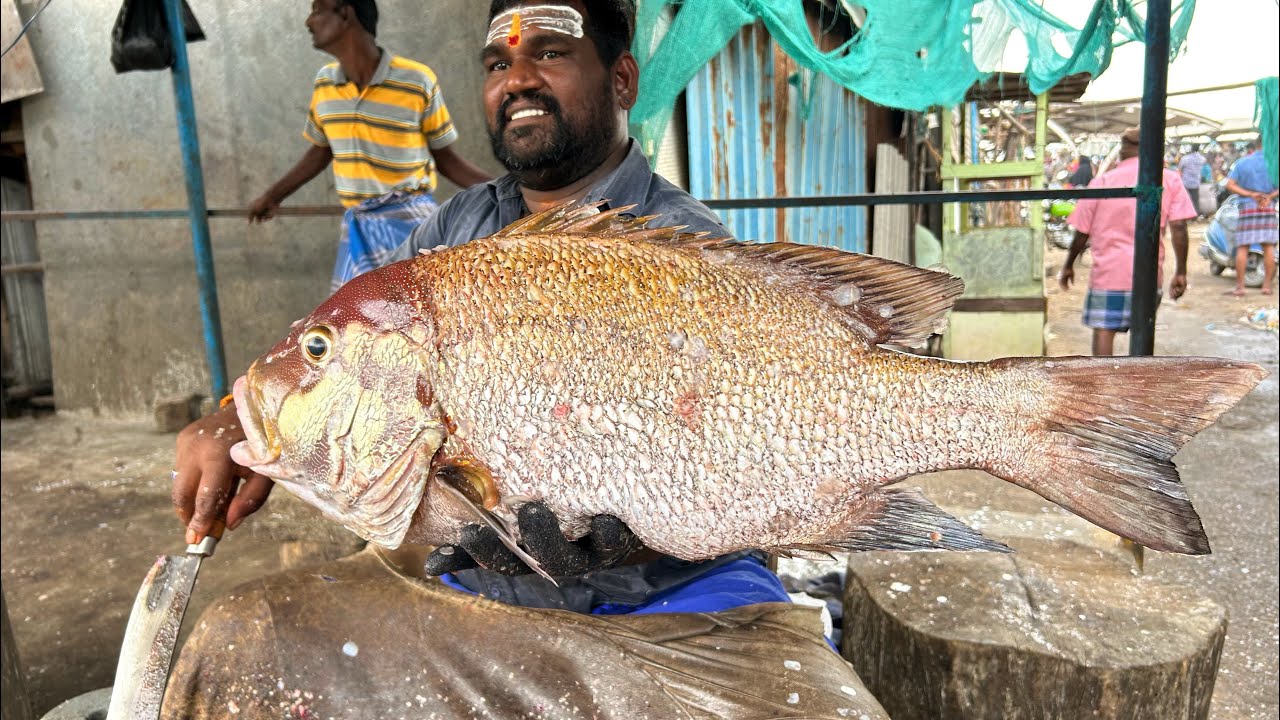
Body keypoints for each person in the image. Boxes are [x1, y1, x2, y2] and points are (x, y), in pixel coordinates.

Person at [165, 2, 888, 717]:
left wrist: (644, 536)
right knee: (241, 646)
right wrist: (238, 419)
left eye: (549, 52)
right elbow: (365, 371)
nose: (517, 79)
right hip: (481, 593)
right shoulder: (455, 232)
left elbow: (759, 448)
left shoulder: (687, 246)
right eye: (496, 62)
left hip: (677, 598)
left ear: (623, 80)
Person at [247, 0, 493, 291]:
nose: (308, 22)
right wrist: (272, 196)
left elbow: (447, 161)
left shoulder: (416, 81)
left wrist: (510, 193)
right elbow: (321, 152)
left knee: (421, 316)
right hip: (359, 228)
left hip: (412, 225)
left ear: (344, 12)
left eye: (316, 10)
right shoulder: (326, 84)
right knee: (357, 324)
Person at [1057, 127, 1197, 356]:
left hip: (1108, 275)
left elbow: (1082, 233)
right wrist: (1181, 271)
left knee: (1103, 332)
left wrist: (1068, 264)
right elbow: (1179, 227)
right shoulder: (1168, 179)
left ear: (1126, 149)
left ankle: (1103, 385)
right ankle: (1135, 388)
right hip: (1148, 275)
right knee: (1142, 334)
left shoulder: (1102, 182)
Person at [1223, 137, 1278, 296]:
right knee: (1268, 247)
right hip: (1267, 207)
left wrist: (1251, 194)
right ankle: (1266, 286)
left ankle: (1240, 287)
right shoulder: (1274, 164)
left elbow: (1230, 184)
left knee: (1243, 247)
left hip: (1247, 207)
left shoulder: (1242, 162)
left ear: (1255, 146)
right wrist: (1269, 196)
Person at [1177, 143, 1207, 218]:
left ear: (1191, 149)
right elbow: (1203, 167)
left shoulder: (1185, 158)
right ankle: (1195, 215)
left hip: (1185, 182)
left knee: (1185, 199)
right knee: (1195, 200)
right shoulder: (1202, 158)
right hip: (1196, 182)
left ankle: (1185, 215)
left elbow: (1180, 168)